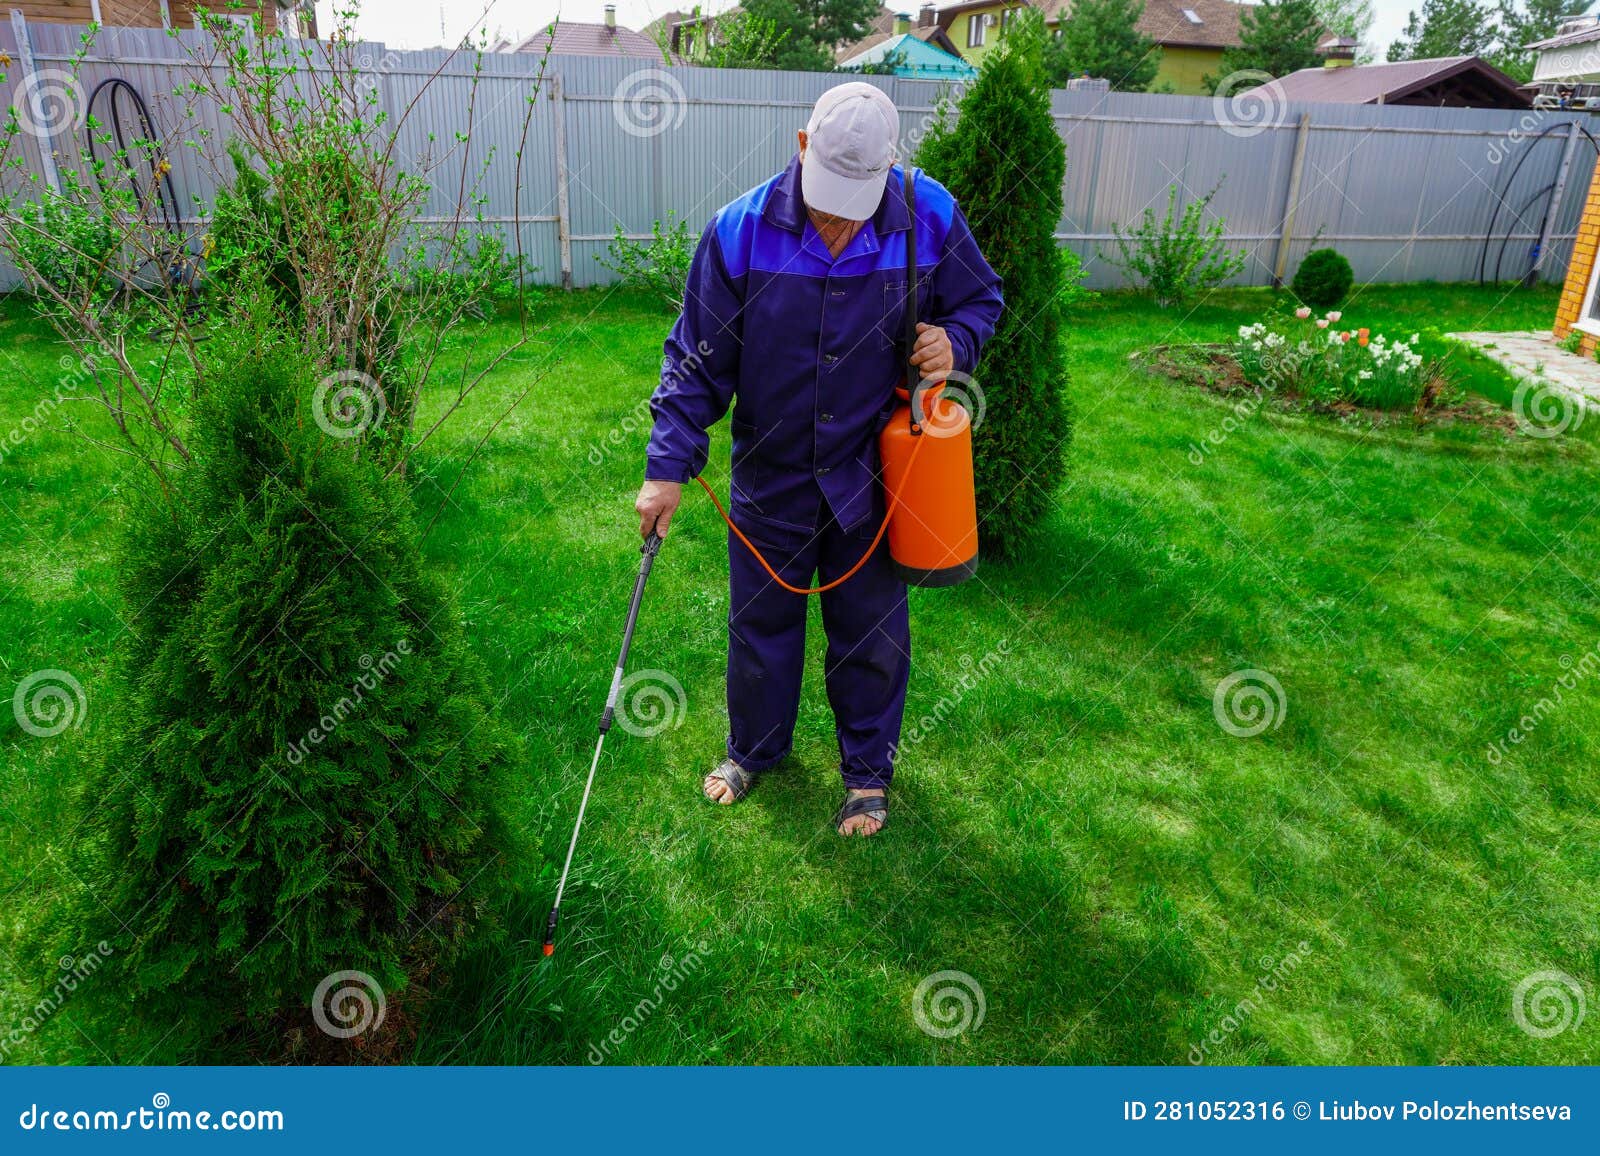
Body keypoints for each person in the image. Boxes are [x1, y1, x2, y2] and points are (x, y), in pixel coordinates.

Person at [634, 82, 1003, 837]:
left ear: (890, 170)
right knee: (759, 627)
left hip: (870, 481)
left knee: (871, 634)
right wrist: (667, 466)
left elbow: (980, 301)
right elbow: (695, 363)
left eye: (853, 202)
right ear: (802, 147)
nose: (836, 219)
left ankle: (868, 774)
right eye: (828, 196)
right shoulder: (738, 232)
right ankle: (754, 751)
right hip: (770, 477)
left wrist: (955, 343)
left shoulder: (928, 213)